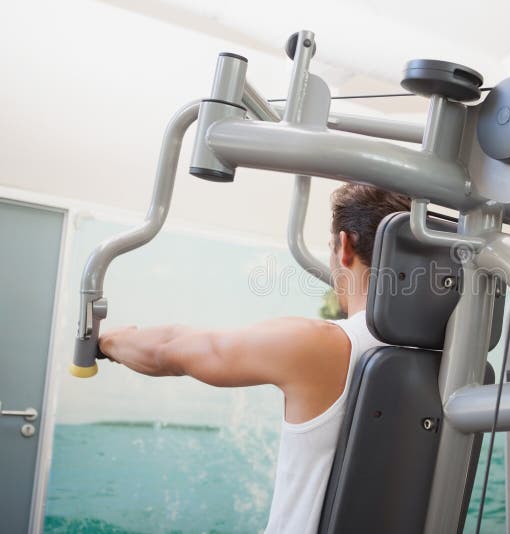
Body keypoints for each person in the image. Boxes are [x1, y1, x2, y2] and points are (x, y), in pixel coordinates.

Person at [98, 183, 411, 534]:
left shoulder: (323, 345)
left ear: (345, 247)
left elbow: (168, 350)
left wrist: (109, 341)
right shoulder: (452, 363)